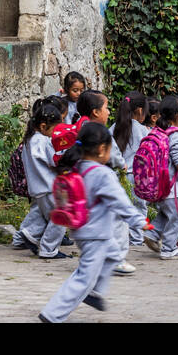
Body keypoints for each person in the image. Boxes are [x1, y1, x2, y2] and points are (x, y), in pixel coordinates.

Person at [38, 122, 144, 322]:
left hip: (83, 230)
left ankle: (94, 293)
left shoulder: (76, 168)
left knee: (114, 255)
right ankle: (52, 314)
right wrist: (139, 221)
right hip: (96, 234)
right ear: (103, 149)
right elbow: (120, 202)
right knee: (83, 277)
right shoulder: (103, 174)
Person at [76, 90, 135, 276]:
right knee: (119, 222)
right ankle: (116, 259)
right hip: (104, 181)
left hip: (86, 182)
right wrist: (123, 165)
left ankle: (94, 258)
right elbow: (116, 156)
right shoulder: (101, 134)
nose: (109, 112)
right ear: (95, 112)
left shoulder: (81, 128)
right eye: (106, 108)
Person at [11, 98, 69, 260]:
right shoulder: (44, 142)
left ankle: (28, 234)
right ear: (44, 127)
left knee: (44, 216)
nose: (56, 134)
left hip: (37, 189)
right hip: (50, 187)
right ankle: (48, 249)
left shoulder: (29, 141)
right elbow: (54, 161)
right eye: (55, 130)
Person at [145, 94, 178, 261]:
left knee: (166, 213)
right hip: (171, 186)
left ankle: (152, 234)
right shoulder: (176, 134)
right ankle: (169, 249)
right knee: (176, 217)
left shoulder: (158, 130)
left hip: (158, 184)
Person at [112, 92, 150, 248]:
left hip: (117, 174)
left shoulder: (114, 127)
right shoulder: (143, 130)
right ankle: (137, 239)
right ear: (140, 111)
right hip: (136, 177)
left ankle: (120, 237)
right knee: (139, 208)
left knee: (120, 208)